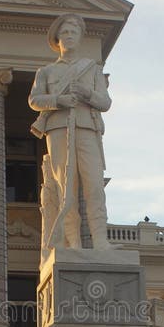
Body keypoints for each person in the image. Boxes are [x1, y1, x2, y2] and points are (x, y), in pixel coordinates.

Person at [29, 14, 111, 262]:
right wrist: (58, 100)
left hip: (87, 129)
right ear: (58, 39)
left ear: (80, 36)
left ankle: (100, 241)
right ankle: (73, 243)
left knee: (95, 185)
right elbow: (34, 100)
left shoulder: (92, 69)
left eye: (74, 31)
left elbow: (105, 102)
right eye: (65, 33)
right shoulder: (46, 71)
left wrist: (87, 93)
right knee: (67, 189)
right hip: (58, 129)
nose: (70, 36)